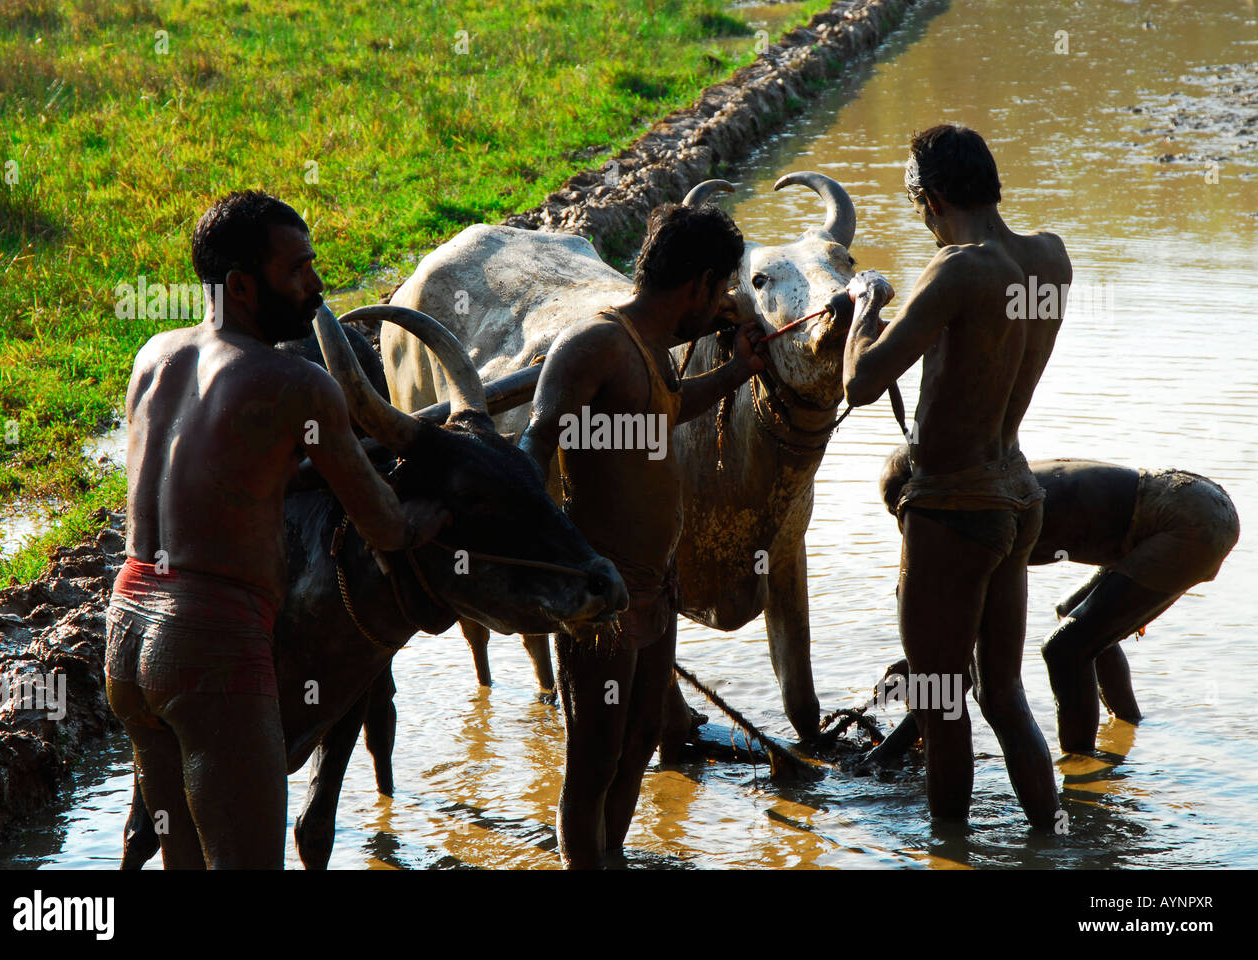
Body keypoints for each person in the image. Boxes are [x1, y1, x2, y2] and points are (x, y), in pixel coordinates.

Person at [105, 190, 448, 868]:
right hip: (209, 645)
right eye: (298, 270)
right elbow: (379, 520)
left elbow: (216, 474)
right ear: (240, 284)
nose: (317, 286)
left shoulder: (154, 355)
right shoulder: (296, 383)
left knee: (186, 862)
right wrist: (425, 520)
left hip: (127, 632)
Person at [520, 202, 764, 868]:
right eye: (721, 291)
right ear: (698, 286)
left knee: (645, 731)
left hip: (656, 585)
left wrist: (737, 372)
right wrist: (556, 565)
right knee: (594, 753)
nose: (723, 306)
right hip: (601, 593)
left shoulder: (653, 352)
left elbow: (665, 410)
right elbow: (535, 446)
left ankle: (612, 857)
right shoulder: (595, 345)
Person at [840, 124, 1070, 830]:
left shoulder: (956, 270)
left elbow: (863, 382)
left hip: (952, 508)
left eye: (919, 208)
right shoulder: (1051, 258)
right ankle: (1053, 845)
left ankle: (951, 854)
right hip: (1017, 494)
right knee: (1003, 694)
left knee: (940, 700)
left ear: (931, 198)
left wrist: (860, 308)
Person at [877, 451, 1238, 754]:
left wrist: (890, 750)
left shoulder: (976, 520)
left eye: (900, 513)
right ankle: (1128, 725)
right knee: (1076, 618)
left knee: (1065, 650)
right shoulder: (989, 484)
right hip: (1189, 500)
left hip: (1182, 523)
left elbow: (963, 665)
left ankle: (1081, 769)